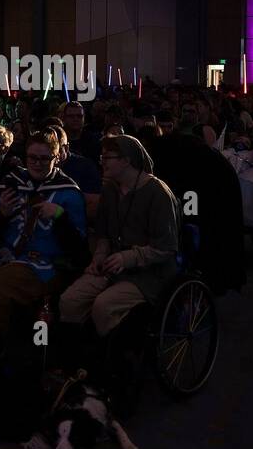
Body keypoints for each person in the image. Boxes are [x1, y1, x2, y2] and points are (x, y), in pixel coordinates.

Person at [0, 130, 87, 399]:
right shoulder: (11, 183)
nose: (38, 163)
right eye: (33, 157)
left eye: (45, 158)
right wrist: (1, 214)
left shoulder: (67, 192)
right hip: (2, 253)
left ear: (56, 158)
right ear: (24, 157)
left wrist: (60, 218)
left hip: (41, 262)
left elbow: (78, 249)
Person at [59, 135, 178, 339]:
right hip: (113, 266)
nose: (102, 162)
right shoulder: (111, 190)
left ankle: (116, 356)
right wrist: (99, 257)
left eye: (107, 157)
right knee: (70, 300)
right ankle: (78, 354)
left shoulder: (157, 193)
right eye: (102, 157)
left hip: (149, 274)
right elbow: (103, 234)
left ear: (126, 160)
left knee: (104, 306)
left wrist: (127, 258)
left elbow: (165, 247)